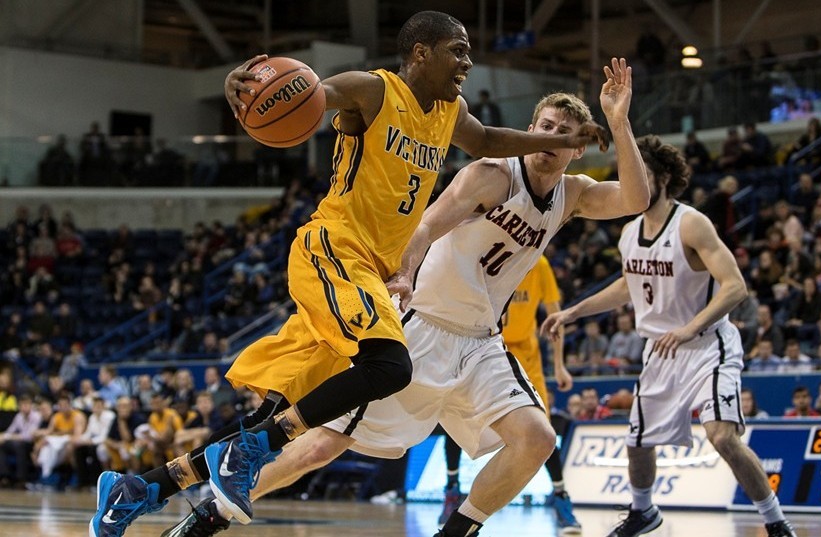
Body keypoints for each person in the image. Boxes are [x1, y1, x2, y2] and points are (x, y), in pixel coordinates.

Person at [90, 11, 610, 537]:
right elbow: (313, 91)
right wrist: (247, 90)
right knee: (390, 366)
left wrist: (555, 144)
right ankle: (242, 456)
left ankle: (139, 490)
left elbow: (487, 141)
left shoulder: (451, 111)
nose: (467, 61)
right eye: (457, 50)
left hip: (370, 275)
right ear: (421, 52)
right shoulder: (373, 91)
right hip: (336, 249)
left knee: (280, 407)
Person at [541, 137, 797, 536]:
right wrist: (574, 311)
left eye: (640, 173)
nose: (633, 183)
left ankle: (776, 522)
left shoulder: (690, 223)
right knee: (637, 438)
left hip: (707, 344)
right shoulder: (628, 233)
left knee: (722, 437)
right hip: (661, 349)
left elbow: (735, 287)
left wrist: (689, 328)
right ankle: (643, 511)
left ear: (662, 178)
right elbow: (628, 286)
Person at [440, 256, 582, 532]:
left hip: (527, 357)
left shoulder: (539, 265)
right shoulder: (493, 252)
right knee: (454, 422)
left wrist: (560, 365)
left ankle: (561, 496)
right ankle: (452, 490)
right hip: (486, 350)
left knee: (542, 431)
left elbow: (554, 315)